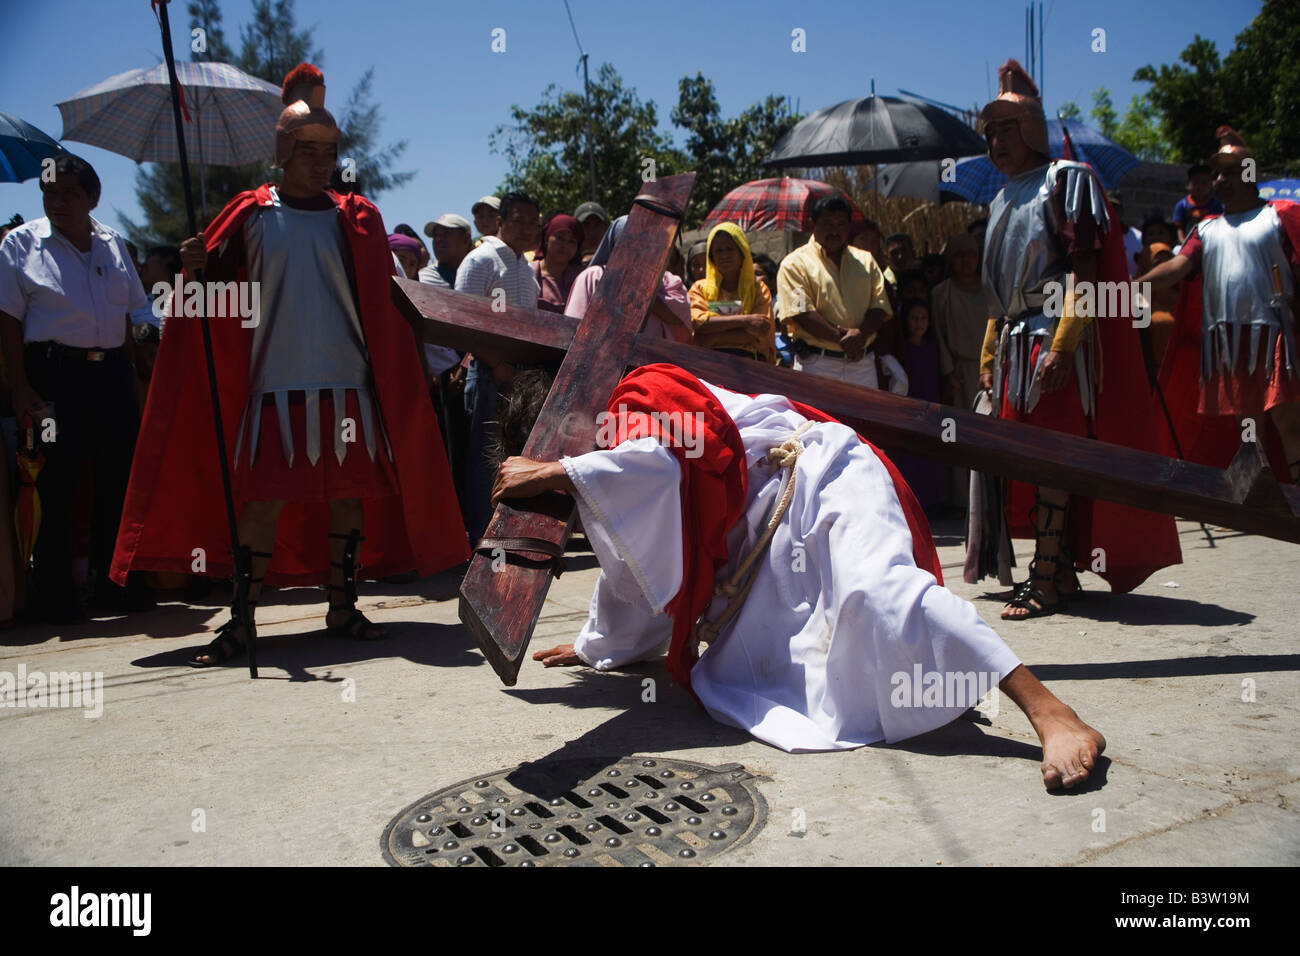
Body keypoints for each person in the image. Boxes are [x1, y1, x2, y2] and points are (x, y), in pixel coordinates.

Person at [493, 363, 1106, 790]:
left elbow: (662, 462)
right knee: (779, 671)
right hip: (767, 546)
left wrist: (560, 473)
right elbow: (637, 563)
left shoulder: (634, 396)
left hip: (820, 472)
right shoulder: (604, 445)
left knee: (880, 592)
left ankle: (1051, 713)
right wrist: (592, 647)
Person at [110, 63, 468, 663]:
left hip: (349, 384)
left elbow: (381, 310)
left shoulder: (356, 218)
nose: (321, 161)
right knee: (262, 503)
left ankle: (343, 606)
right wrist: (195, 268)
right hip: (274, 385)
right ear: (282, 152)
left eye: (329, 151)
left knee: (349, 498)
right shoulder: (249, 216)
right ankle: (243, 621)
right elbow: (210, 311)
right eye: (307, 149)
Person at [974, 58, 1180, 620]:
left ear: (1034, 129)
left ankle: (1044, 576)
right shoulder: (999, 198)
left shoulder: (1068, 179)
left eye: (1007, 128)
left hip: (1053, 334)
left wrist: (1064, 345)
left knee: (1051, 458)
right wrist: (989, 359)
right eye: (990, 131)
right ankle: (1059, 569)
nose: (996, 140)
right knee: (1028, 459)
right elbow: (1001, 295)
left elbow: (1087, 273)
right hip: (1016, 340)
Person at [0, 154, 156, 623]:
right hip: (53, 377)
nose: (57, 201)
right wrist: (20, 387)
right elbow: (7, 321)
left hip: (109, 376)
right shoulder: (20, 245)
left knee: (119, 482)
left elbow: (134, 315)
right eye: (50, 192)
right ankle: (53, 596)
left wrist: (136, 369)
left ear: (92, 197)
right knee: (56, 484)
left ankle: (115, 587)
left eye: (69, 192)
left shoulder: (113, 243)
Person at [1139, 126, 1300, 483]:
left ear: (1249, 175)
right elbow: (1178, 267)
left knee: (1288, 419)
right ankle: (1251, 497)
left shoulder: (1279, 215)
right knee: (1248, 425)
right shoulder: (1207, 229)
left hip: (1276, 337)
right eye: (1217, 172)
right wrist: (1133, 288)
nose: (1220, 179)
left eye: (1230, 171)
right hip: (1230, 342)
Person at [457, 190, 541, 544]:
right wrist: (497, 364)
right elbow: (461, 320)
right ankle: (483, 541)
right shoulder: (481, 260)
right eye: (517, 220)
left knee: (519, 458)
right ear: (500, 221)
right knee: (486, 462)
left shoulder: (526, 267)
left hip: (523, 376)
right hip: (490, 373)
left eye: (532, 222)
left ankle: (514, 538)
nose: (525, 228)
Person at [777, 196, 894, 389]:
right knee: (815, 419)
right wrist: (844, 340)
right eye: (827, 223)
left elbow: (879, 306)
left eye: (841, 224)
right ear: (813, 224)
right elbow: (802, 313)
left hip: (862, 365)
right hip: (816, 364)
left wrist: (861, 335)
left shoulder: (866, 261)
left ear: (849, 226)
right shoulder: (794, 264)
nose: (834, 230)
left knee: (863, 420)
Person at [564, 214, 692, 344]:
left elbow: (684, 336)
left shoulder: (670, 282)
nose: (637, 251)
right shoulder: (593, 277)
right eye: (629, 243)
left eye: (645, 244)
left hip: (653, 362)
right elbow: (571, 331)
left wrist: (643, 295)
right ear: (616, 243)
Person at [688, 223, 776, 363]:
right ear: (711, 257)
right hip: (709, 363)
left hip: (749, 364)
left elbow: (759, 329)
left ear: (742, 253)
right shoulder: (699, 288)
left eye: (729, 249)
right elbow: (699, 322)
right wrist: (745, 320)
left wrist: (713, 337)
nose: (724, 255)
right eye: (718, 251)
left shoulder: (758, 289)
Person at [895, 299, 947, 510]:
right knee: (912, 458)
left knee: (932, 456)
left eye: (923, 318)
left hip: (932, 406)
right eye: (914, 319)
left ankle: (935, 503)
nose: (919, 323)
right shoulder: (902, 350)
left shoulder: (933, 347)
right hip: (910, 408)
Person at [532, 213, 584, 314]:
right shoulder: (529, 273)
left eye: (572, 241)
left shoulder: (581, 279)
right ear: (547, 239)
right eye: (560, 238)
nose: (565, 245)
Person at [1172, 165, 1225, 245]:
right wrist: (1184, 243)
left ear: (1211, 185)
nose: (1200, 186)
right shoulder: (1182, 205)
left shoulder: (1217, 205)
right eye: (1195, 182)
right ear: (1188, 184)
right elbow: (1180, 228)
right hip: (1188, 244)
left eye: (1204, 182)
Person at [420, 213, 474, 287]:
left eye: (447, 233)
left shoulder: (484, 272)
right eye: (436, 235)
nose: (439, 239)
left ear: (466, 239)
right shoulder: (425, 279)